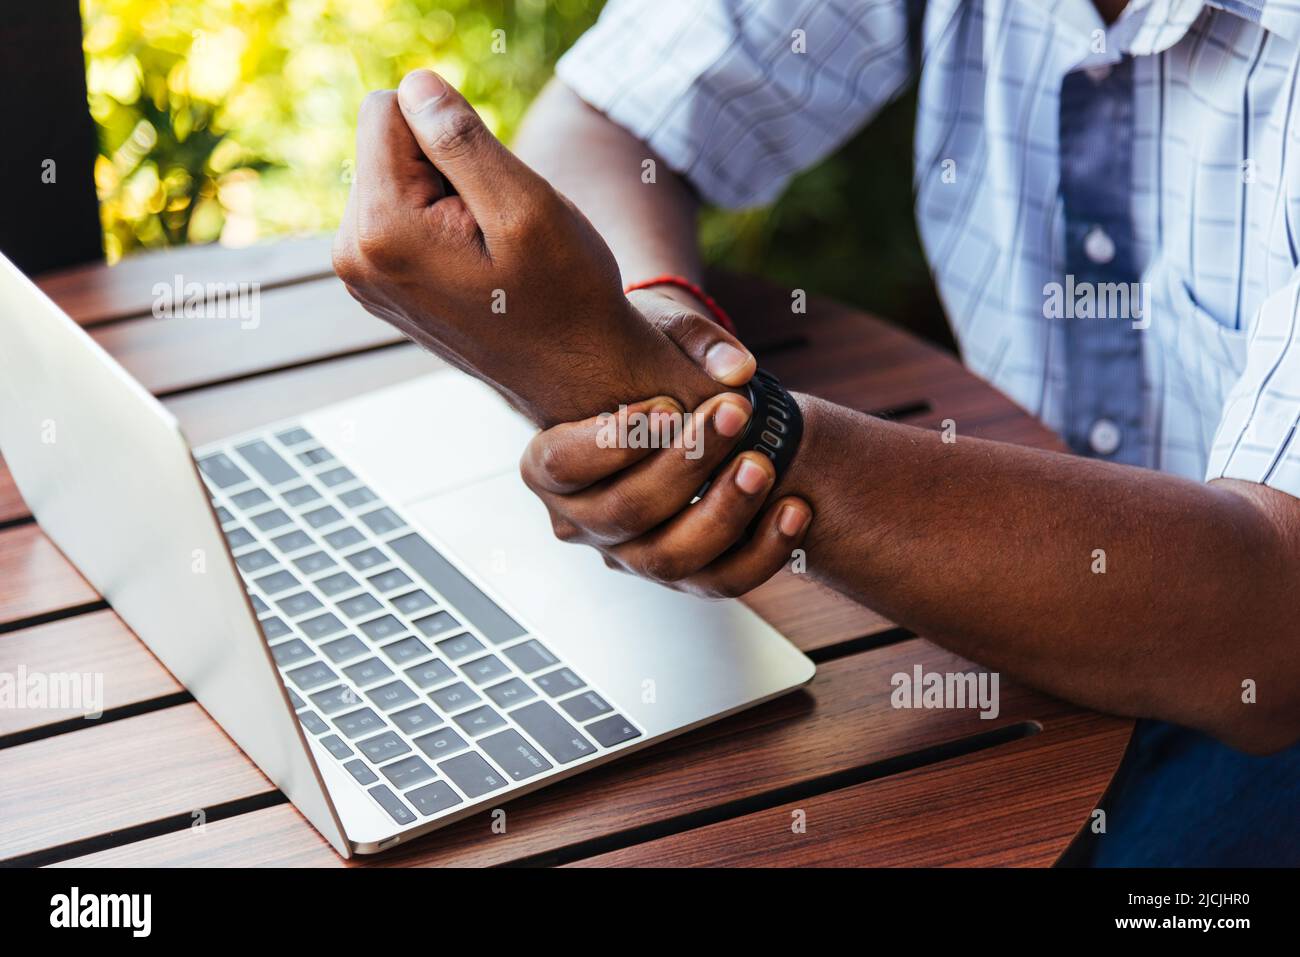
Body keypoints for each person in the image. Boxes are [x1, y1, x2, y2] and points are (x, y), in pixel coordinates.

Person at [332, 0, 1300, 865]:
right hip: (1004, 643)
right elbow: (607, 120)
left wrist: (698, 417)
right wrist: (658, 320)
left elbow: (1268, 621)